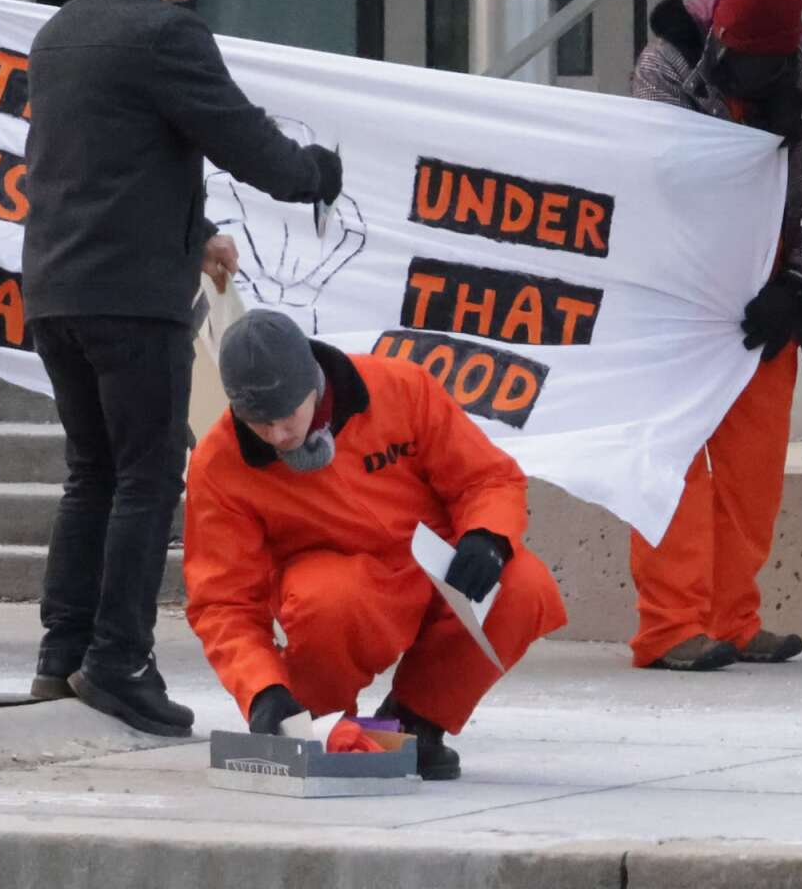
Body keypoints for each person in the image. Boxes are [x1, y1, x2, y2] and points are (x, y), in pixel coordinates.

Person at [20, 0, 344, 737]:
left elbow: (97, 157)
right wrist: (316, 172)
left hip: (57, 286)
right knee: (146, 476)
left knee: (93, 472)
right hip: (131, 298)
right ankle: (120, 662)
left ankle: (62, 656)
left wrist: (195, 230)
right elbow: (241, 137)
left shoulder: (57, 33)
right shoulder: (165, 32)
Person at [182, 308, 569, 782]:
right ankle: (322, 727)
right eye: (260, 424)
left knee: (522, 586)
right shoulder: (219, 464)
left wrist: (486, 537)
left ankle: (415, 723)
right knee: (328, 598)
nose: (279, 436)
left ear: (315, 383)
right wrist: (264, 693)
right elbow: (222, 601)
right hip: (342, 595)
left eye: (287, 417)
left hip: (435, 570)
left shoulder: (400, 387)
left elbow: (487, 478)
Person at [624, 0, 802, 673]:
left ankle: (733, 616)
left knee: (754, 473)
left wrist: (798, 286)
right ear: (719, 41)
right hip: (674, 298)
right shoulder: (664, 66)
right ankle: (669, 627)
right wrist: (745, 139)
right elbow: (652, 172)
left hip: (767, 297)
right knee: (673, 465)